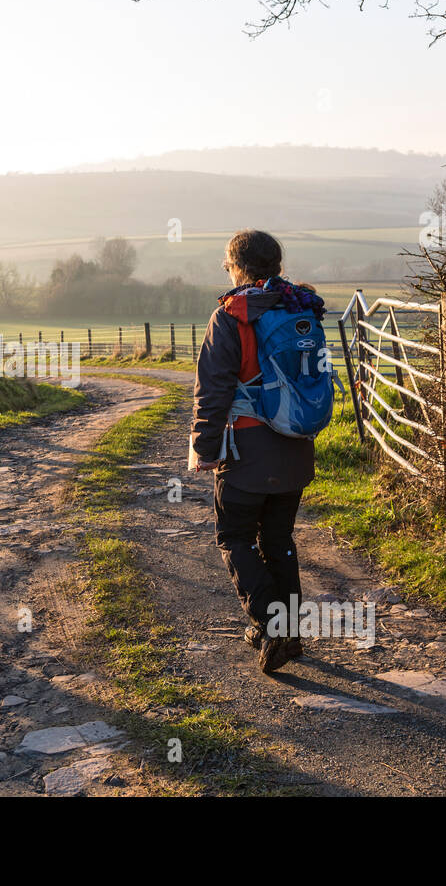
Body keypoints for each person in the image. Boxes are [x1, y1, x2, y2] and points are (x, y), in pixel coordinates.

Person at [191, 230, 325, 674]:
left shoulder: (231, 316)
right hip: (295, 447)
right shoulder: (302, 308)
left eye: (228, 265)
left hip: (246, 450)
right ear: (277, 266)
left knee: (235, 537)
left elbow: (213, 391)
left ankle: (273, 626)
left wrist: (204, 447)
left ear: (237, 267)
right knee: (279, 539)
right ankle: (289, 630)